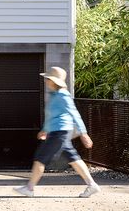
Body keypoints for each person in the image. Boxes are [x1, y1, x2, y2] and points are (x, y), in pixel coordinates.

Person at [13, 66, 101, 198]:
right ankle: (92, 184)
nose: (46, 81)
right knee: (73, 158)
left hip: (60, 132)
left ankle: (30, 188)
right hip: (58, 132)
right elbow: (51, 116)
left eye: (48, 78)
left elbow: (75, 114)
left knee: (40, 158)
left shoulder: (63, 96)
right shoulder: (54, 95)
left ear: (54, 81)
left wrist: (84, 133)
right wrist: (45, 130)